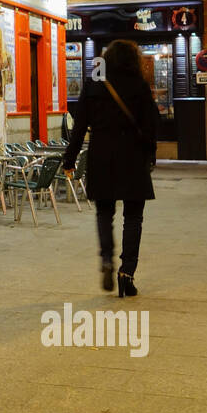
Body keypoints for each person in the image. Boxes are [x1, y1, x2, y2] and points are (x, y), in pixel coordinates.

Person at [62, 40, 158, 297]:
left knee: (104, 214)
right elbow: (151, 126)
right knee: (134, 217)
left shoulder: (95, 84)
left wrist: (69, 160)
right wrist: (151, 156)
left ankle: (106, 258)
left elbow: (78, 127)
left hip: (102, 157)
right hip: (134, 158)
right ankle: (127, 272)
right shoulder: (139, 85)